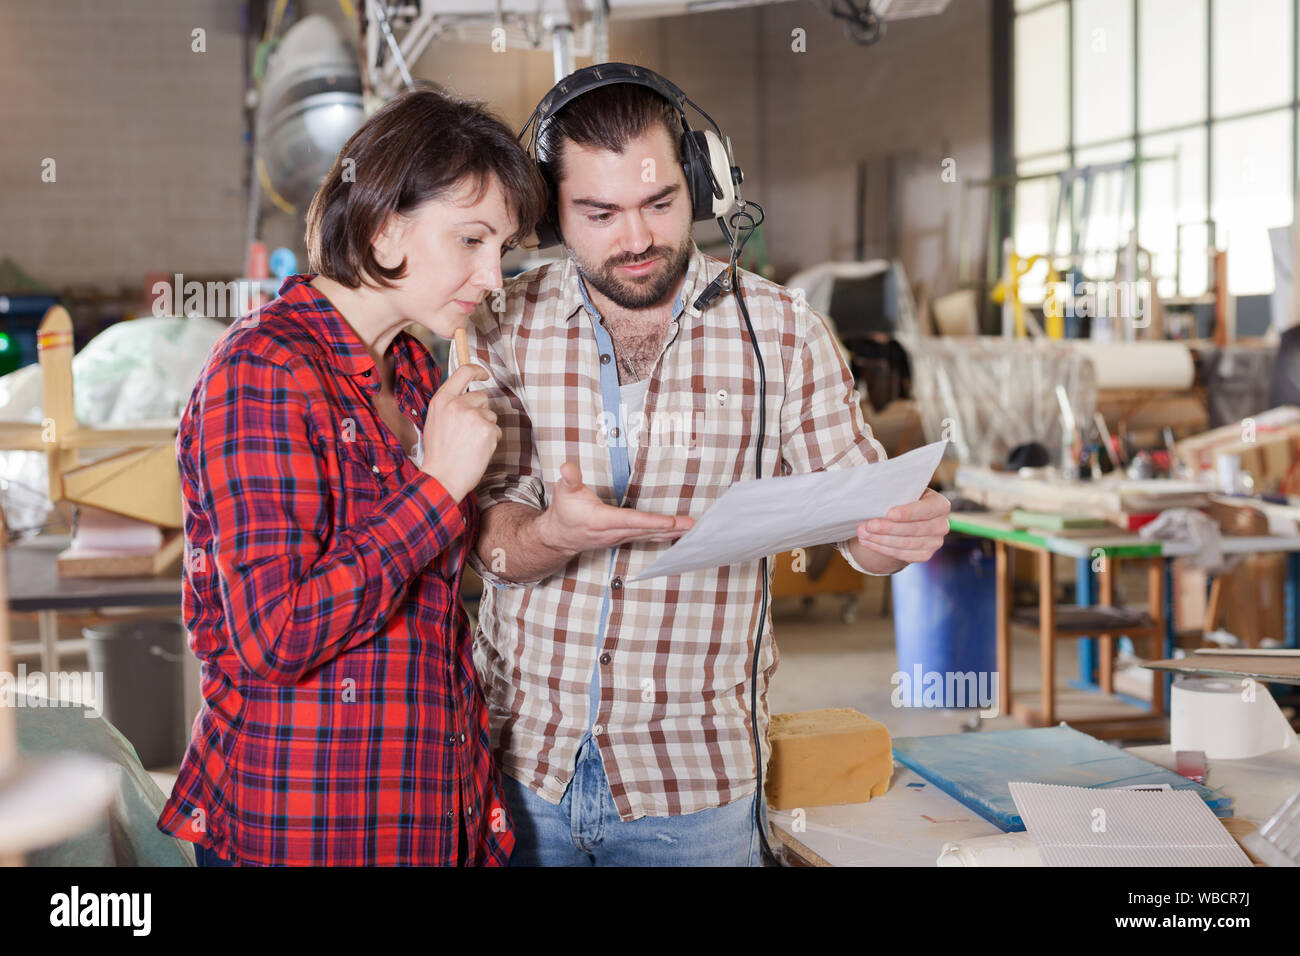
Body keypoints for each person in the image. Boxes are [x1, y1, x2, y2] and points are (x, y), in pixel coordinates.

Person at [453, 65, 950, 866]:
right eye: (600, 213)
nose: (637, 238)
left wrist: (897, 534)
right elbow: (488, 543)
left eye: (659, 204)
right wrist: (554, 532)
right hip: (521, 767)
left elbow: (861, 528)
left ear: (701, 184)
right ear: (548, 215)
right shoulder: (503, 325)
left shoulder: (785, 332)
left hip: (694, 784)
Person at [157, 87, 547, 866]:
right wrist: (437, 489)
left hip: (424, 804)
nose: (494, 277)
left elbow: (421, 603)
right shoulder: (264, 372)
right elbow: (277, 633)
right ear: (383, 224)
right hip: (310, 819)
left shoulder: (406, 367)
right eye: (471, 240)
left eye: (501, 248)